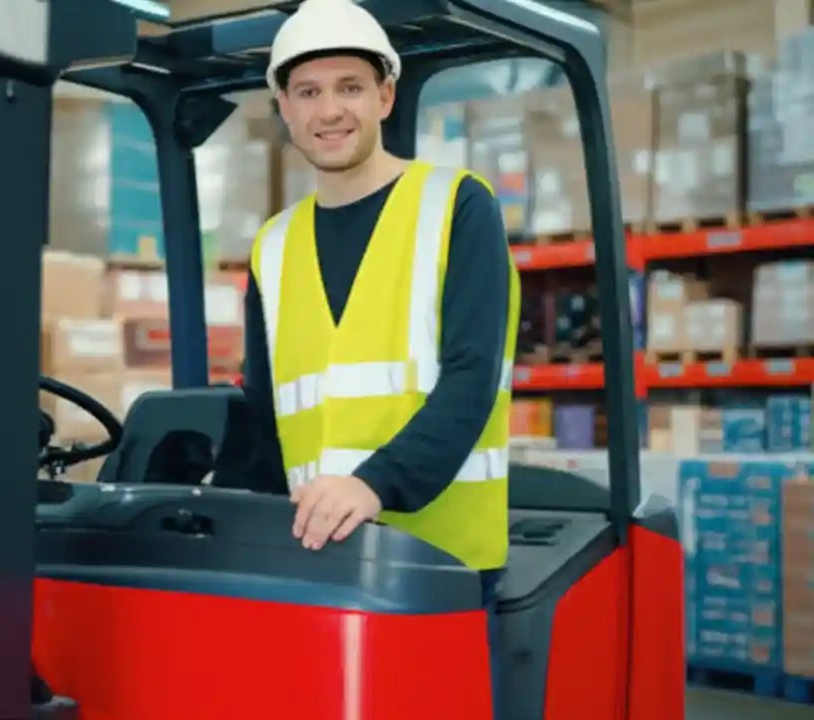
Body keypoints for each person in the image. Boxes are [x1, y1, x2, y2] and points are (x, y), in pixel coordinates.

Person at [219, 0, 520, 712]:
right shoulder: (274, 244)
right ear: (285, 109)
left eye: (349, 86)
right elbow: (266, 412)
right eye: (308, 92)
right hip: (313, 552)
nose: (330, 110)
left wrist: (375, 483)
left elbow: (473, 378)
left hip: (437, 559)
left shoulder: (457, 205)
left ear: (385, 94)